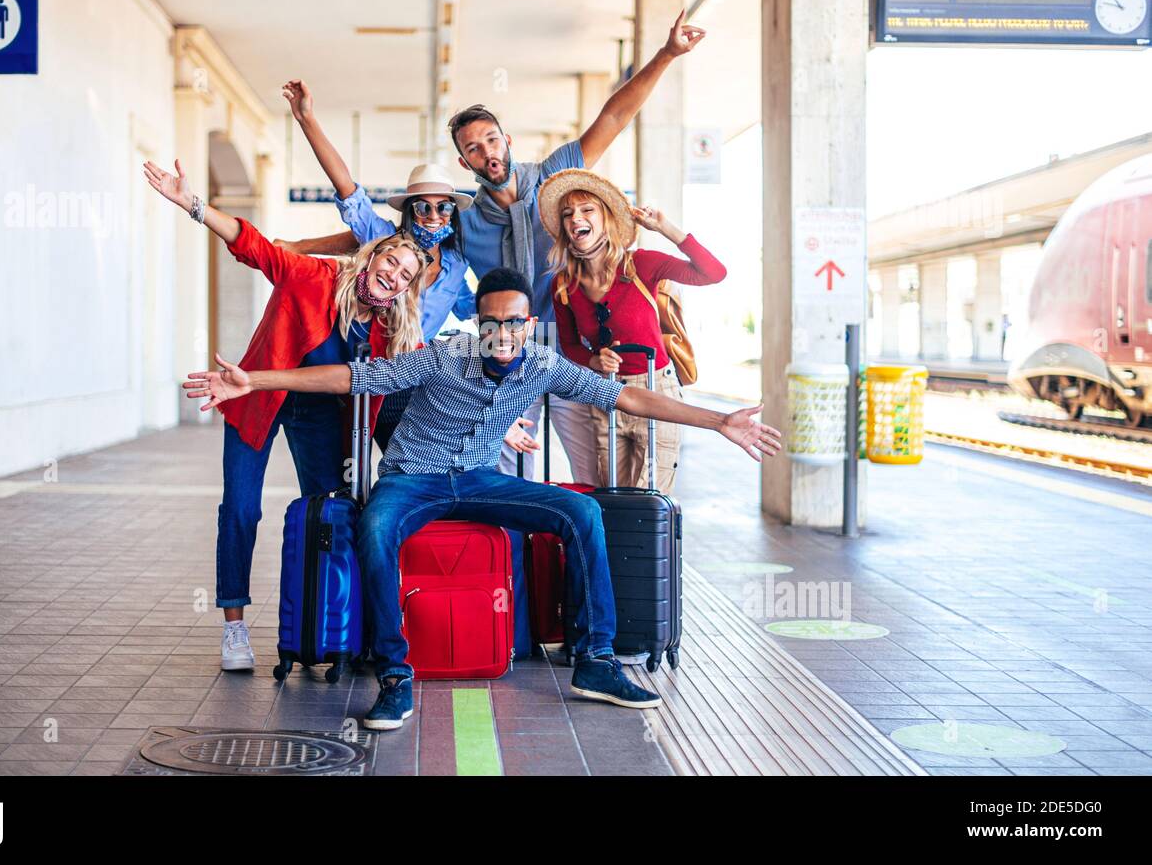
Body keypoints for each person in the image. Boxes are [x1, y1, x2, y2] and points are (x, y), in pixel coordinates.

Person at [183, 267, 782, 731]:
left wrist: (719, 421)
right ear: (478, 323)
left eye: (513, 322)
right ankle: (394, 673)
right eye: (491, 322)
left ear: (528, 323)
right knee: (374, 529)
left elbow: (625, 397)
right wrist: (254, 380)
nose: (502, 334)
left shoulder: (541, 365)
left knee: (582, 511)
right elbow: (353, 378)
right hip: (412, 478)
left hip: (478, 480)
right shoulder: (446, 356)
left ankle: (596, 661)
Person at [142, 157, 430, 673]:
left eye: (406, 275)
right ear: (371, 257)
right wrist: (192, 204)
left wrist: (498, 418)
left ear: (407, 288)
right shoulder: (314, 276)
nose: (394, 274)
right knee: (241, 509)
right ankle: (234, 627)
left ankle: (328, 623)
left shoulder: (392, 332)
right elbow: (253, 245)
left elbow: (438, 373)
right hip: (251, 393)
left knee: (329, 513)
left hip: (319, 414)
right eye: (391, 261)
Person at [446, 10, 707, 485]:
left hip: (574, 352)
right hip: (505, 353)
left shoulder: (554, 177)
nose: (487, 153)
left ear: (507, 140)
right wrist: (470, 310)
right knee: (507, 471)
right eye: (474, 149)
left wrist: (667, 54)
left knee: (594, 471)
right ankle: (518, 535)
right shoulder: (464, 221)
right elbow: (422, 255)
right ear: (465, 163)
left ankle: (586, 532)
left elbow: (614, 117)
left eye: (491, 140)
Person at [276, 80, 482, 450]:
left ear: (453, 213)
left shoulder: (455, 267)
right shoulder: (384, 238)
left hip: (406, 384)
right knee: (345, 469)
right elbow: (346, 188)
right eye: (423, 206)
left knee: (404, 467)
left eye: (443, 207)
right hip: (358, 369)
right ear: (409, 211)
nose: (433, 215)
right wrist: (307, 118)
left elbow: (473, 309)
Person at [540, 168, 726, 493]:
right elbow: (569, 346)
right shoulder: (564, 285)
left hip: (656, 390)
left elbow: (713, 273)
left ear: (606, 219)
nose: (575, 218)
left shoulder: (641, 264)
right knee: (613, 497)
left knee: (649, 500)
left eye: (586, 210)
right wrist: (594, 360)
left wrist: (665, 228)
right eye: (568, 214)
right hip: (606, 393)